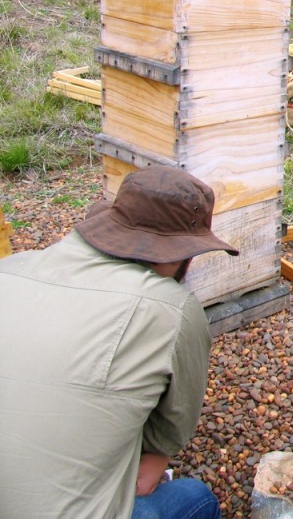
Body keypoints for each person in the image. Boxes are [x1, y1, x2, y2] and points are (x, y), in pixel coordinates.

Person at [0, 166, 238, 519]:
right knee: (194, 497)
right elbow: (158, 452)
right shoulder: (171, 309)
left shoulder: (9, 268)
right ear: (180, 254)